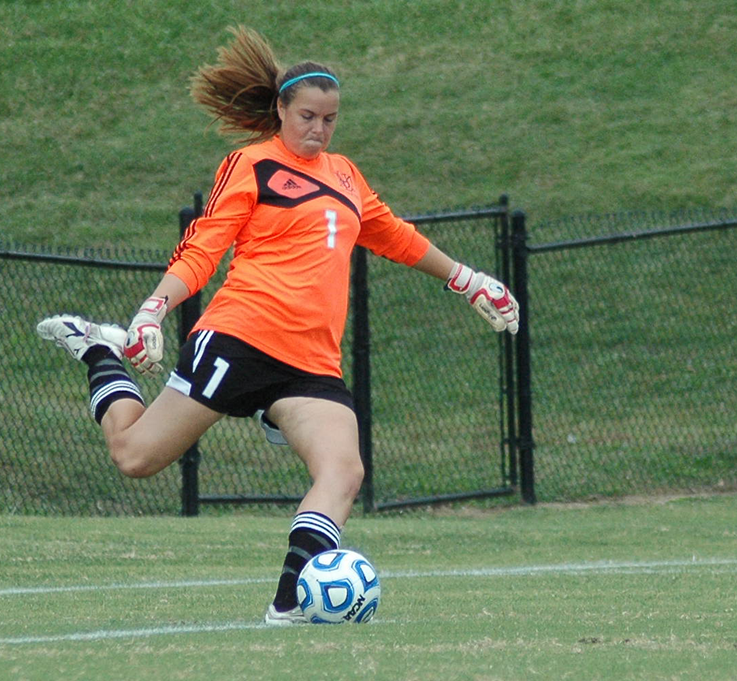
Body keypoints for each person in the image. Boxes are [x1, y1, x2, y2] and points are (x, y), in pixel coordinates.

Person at [36, 26, 519, 625]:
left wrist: (467, 278)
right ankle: (96, 351)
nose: (318, 130)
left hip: (313, 362)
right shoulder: (252, 164)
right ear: (281, 112)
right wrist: (153, 308)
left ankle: (289, 605)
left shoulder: (345, 175)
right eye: (307, 117)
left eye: (330, 119)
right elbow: (203, 248)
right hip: (241, 339)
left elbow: (392, 234)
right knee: (135, 457)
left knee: (344, 469)